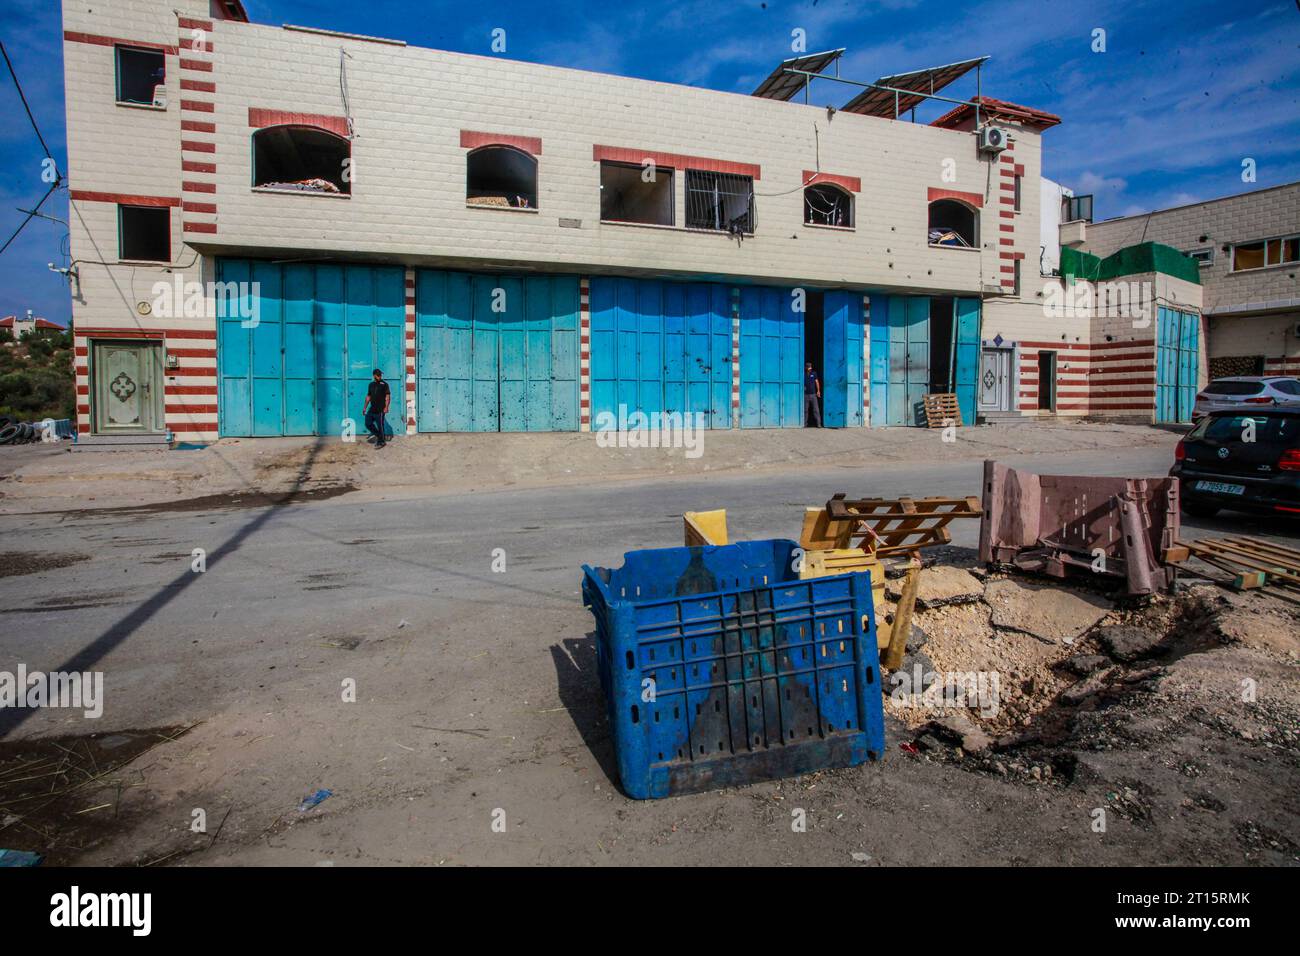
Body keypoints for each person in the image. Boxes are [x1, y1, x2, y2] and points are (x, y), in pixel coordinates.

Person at [363, 368, 390, 447]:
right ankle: (379, 435)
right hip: (372, 409)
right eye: (378, 375)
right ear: (374, 376)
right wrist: (365, 407)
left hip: (380, 409)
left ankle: (381, 441)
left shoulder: (384, 384)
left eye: (380, 375)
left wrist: (386, 407)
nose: (380, 377)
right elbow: (368, 397)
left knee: (380, 426)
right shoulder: (371, 384)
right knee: (368, 423)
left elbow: (387, 397)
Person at [804, 361, 822, 427]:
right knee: (805, 410)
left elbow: (817, 382)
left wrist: (818, 391)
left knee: (816, 410)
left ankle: (818, 424)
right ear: (806, 367)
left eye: (810, 367)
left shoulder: (814, 373)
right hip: (805, 395)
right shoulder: (803, 374)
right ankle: (805, 424)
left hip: (813, 394)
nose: (809, 369)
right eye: (808, 367)